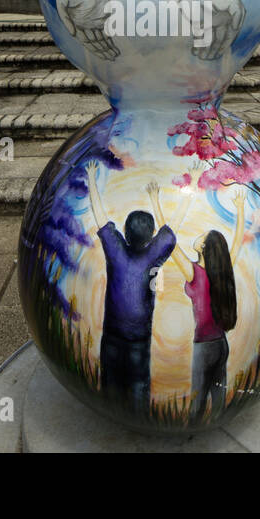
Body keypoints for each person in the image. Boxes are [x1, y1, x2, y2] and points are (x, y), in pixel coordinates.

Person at [147, 181, 245, 422]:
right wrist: (241, 209)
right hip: (221, 344)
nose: (199, 237)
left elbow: (169, 242)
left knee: (198, 400)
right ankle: (217, 426)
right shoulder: (221, 270)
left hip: (204, 347)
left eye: (202, 237)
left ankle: (191, 433)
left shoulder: (194, 273)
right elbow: (236, 243)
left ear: (203, 247)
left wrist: (155, 202)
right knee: (218, 394)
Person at [85, 160, 175, 416]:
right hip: (138, 340)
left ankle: (112, 421)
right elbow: (170, 232)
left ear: (124, 231)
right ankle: (138, 423)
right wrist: (156, 199)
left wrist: (91, 179)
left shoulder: (115, 250)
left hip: (112, 337)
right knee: (138, 388)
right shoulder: (152, 256)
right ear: (151, 237)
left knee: (111, 384)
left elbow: (99, 216)